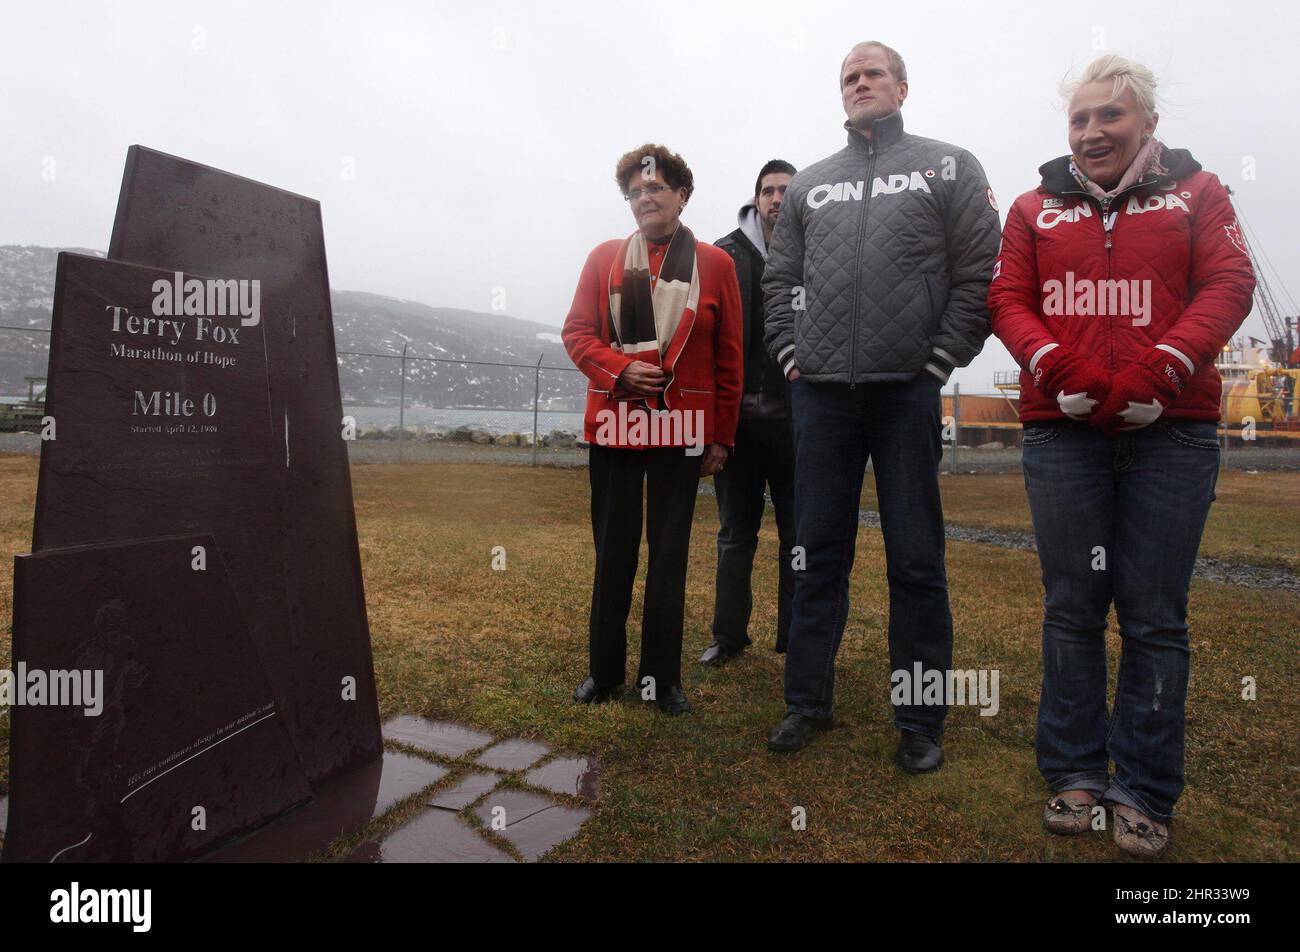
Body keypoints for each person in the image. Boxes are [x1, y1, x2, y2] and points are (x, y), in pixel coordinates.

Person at [988, 54, 1255, 858]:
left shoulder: (1201, 194)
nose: (1094, 131)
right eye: (1080, 118)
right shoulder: (1033, 207)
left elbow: (1230, 280)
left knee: (1154, 618)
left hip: (1172, 435)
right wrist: (1050, 365)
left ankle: (1142, 785)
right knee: (1071, 609)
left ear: (1147, 121)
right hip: (1062, 435)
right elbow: (1006, 298)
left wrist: (1168, 366)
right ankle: (1072, 770)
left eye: (1111, 115)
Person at [761, 41, 1001, 768]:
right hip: (823, 398)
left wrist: (938, 362)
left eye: (871, 74)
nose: (859, 84)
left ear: (902, 85)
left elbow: (980, 274)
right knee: (815, 554)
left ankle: (920, 719)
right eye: (848, 78)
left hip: (906, 394)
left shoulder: (949, 165)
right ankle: (807, 702)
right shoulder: (810, 185)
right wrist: (791, 354)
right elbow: (779, 281)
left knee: (917, 559)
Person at [562, 143, 743, 715]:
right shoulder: (603, 258)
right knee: (613, 551)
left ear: (682, 194)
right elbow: (577, 334)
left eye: (656, 188)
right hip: (616, 424)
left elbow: (730, 357)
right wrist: (619, 368)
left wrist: (722, 435)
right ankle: (604, 672)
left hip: (683, 426)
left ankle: (663, 680)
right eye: (636, 191)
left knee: (669, 556)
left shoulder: (717, 264)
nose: (645, 198)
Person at [702, 159, 798, 667]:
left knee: (797, 538)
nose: (778, 198)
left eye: (786, 189)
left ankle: (794, 638)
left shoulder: (816, 252)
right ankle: (728, 636)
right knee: (735, 534)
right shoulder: (723, 256)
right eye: (769, 191)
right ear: (755, 198)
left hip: (796, 424)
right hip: (737, 424)